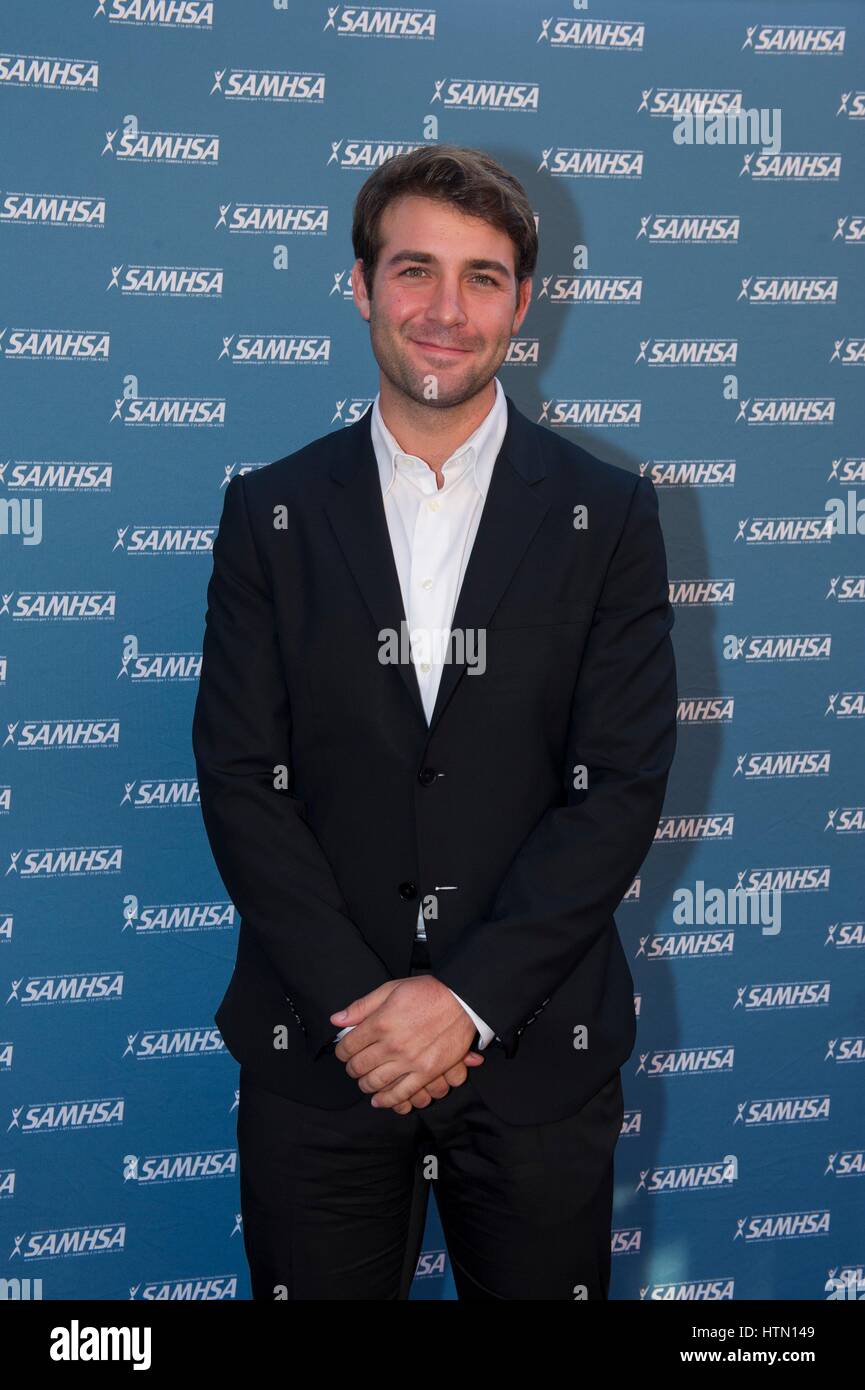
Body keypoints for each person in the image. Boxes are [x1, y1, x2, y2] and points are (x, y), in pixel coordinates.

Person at [191, 143, 677, 1300]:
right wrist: (369, 1017)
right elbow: (237, 775)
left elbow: (615, 787)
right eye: (415, 271)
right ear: (360, 287)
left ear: (524, 304)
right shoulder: (269, 513)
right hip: (321, 1053)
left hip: (534, 1056)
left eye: (483, 277)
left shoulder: (608, 515)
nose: (445, 311)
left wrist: (460, 1006)